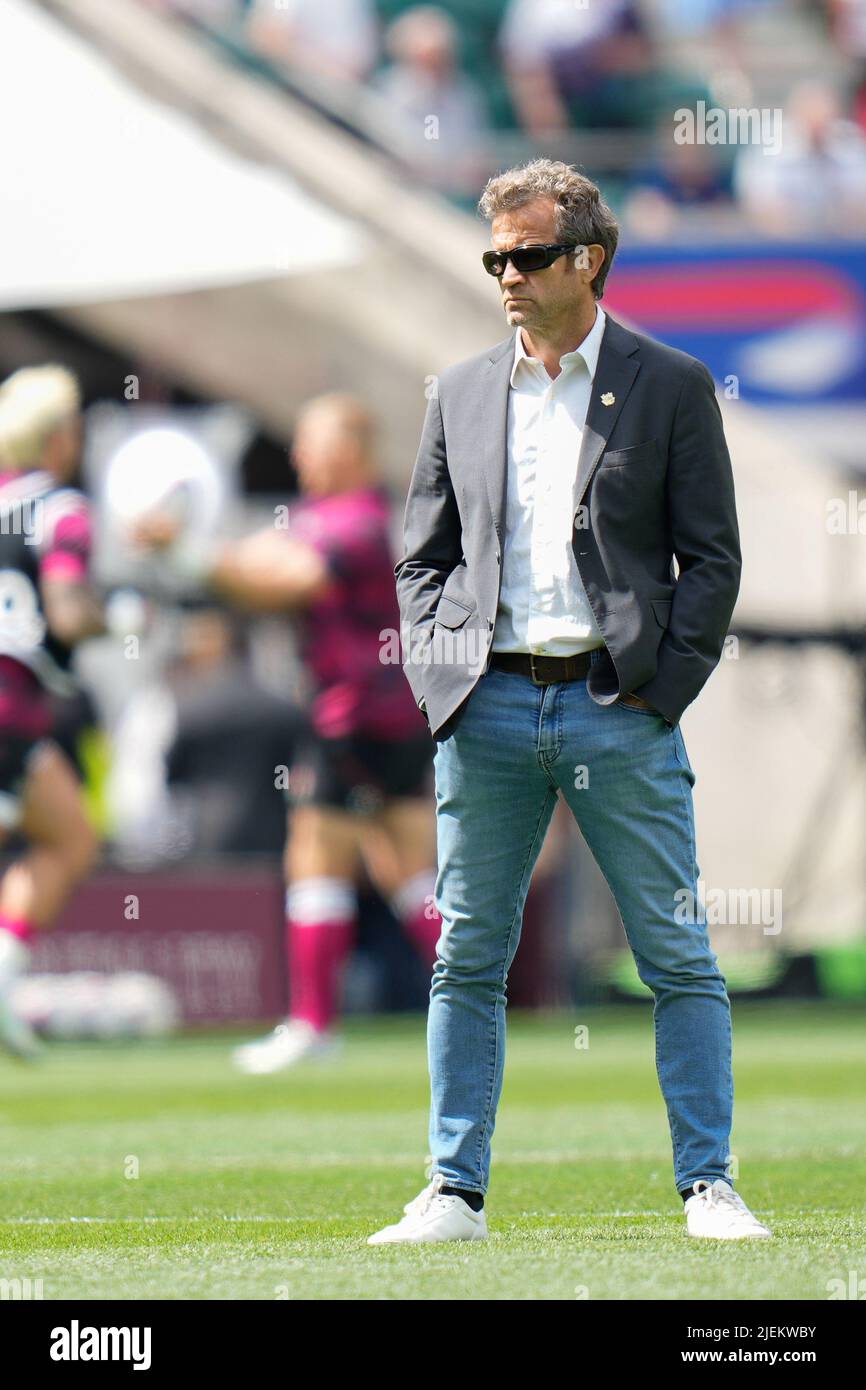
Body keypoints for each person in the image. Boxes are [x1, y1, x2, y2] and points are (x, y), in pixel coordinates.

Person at [369, 158, 771, 1243]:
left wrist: (660, 691)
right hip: (488, 706)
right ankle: (453, 1191)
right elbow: (422, 557)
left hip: (615, 705)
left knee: (676, 956)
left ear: (588, 260)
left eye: (529, 255)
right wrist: (441, 680)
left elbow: (712, 560)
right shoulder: (459, 390)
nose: (507, 275)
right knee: (466, 958)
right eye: (495, 258)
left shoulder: (669, 382)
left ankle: (708, 1185)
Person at [136, 394, 442, 1071]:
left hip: (356, 716)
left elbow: (290, 581)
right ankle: (481, 1000)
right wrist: (189, 550)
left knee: (316, 856)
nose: (299, 454)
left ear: (350, 449)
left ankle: (313, 1025)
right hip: (389, 715)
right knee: (405, 870)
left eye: (312, 440)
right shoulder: (332, 516)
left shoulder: (358, 522)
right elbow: (258, 560)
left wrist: (187, 553)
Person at [0, 366, 102, 1057]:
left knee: (69, 835)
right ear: (59, 436)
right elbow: (67, 611)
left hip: (20, 723)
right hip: (11, 706)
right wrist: (120, 615)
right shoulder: (61, 507)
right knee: (67, 842)